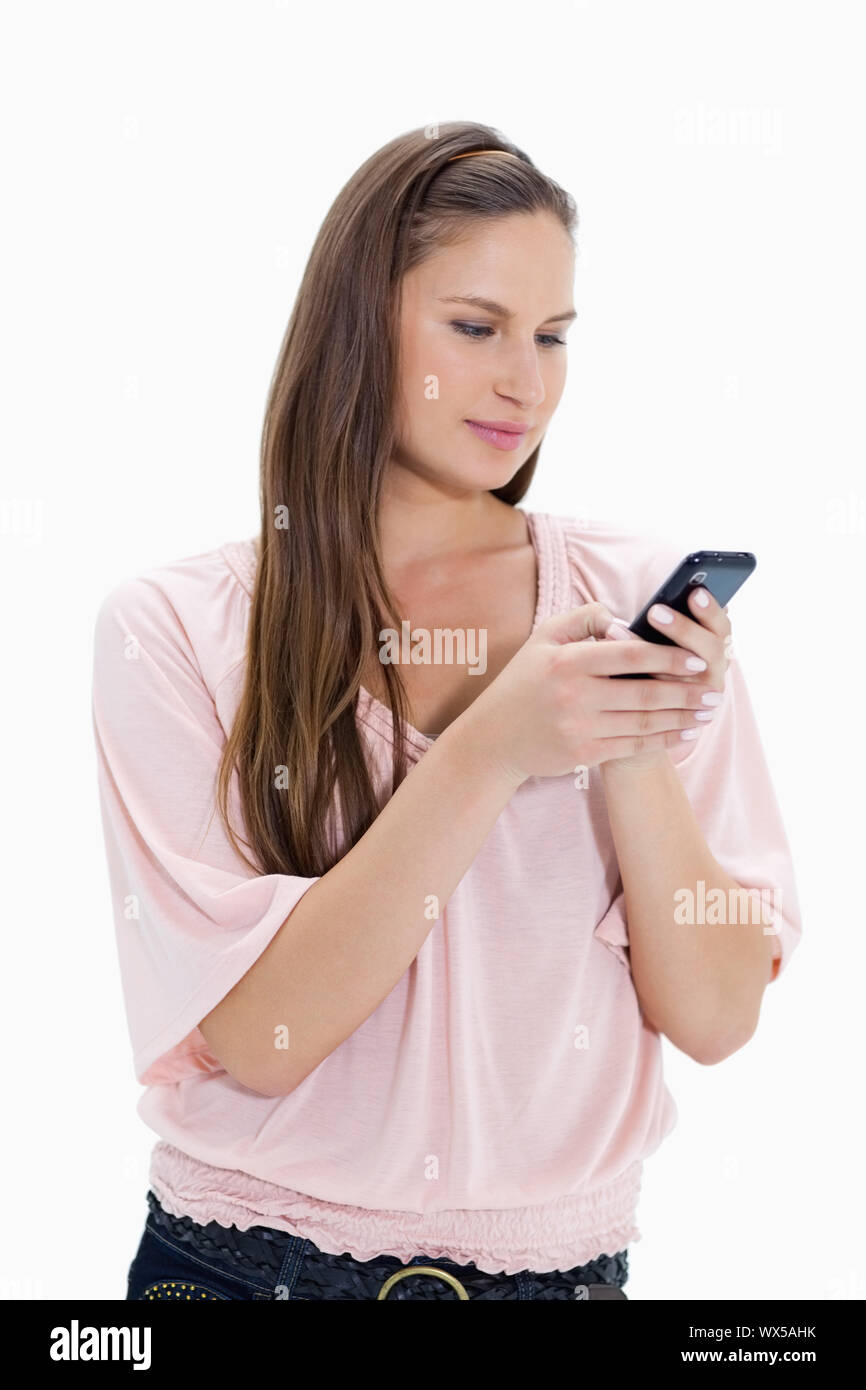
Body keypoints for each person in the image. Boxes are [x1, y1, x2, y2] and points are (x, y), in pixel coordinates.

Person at [91, 121, 802, 1302]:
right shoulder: (175, 629)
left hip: (560, 1277)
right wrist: (489, 751)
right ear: (357, 324)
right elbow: (266, 1042)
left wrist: (623, 743)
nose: (524, 382)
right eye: (474, 328)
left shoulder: (631, 599)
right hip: (239, 1271)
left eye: (552, 337)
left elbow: (718, 1015)